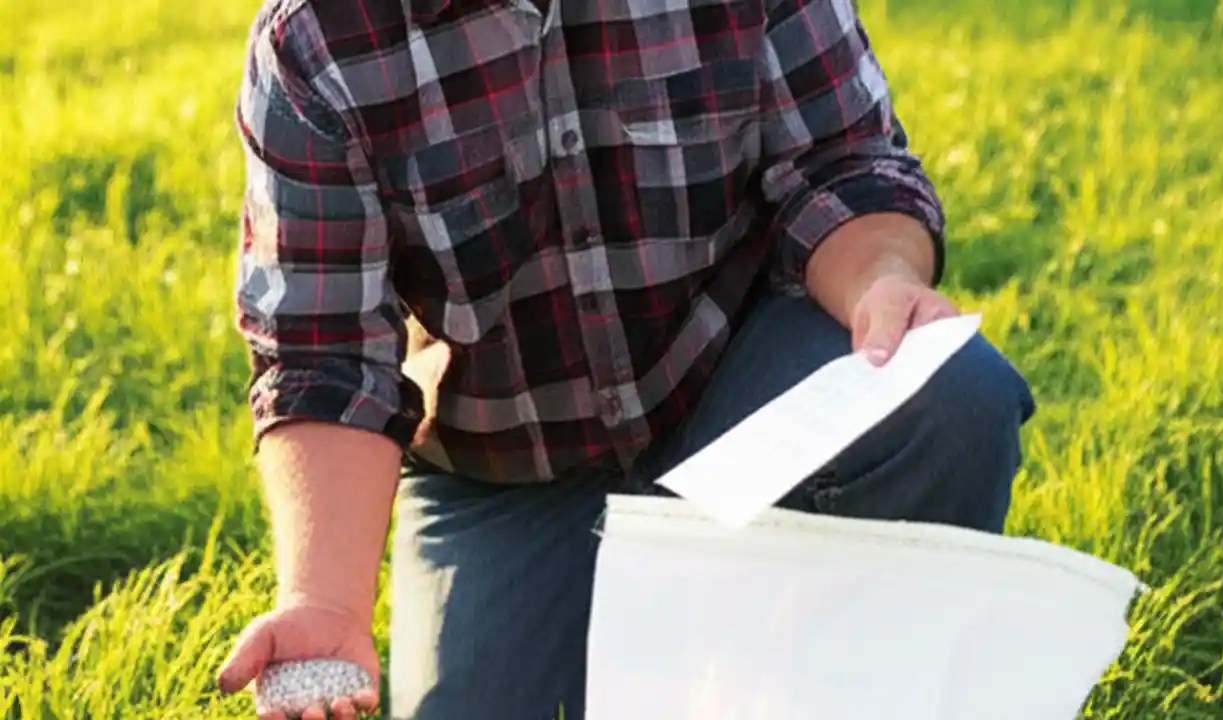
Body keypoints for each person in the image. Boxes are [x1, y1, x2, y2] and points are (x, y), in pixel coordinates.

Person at [216, 0, 1036, 716]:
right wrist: (323, 601)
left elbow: (843, 163)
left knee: (951, 399)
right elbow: (324, 352)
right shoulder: (316, 43)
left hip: (732, 389)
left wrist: (881, 279)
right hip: (505, 472)